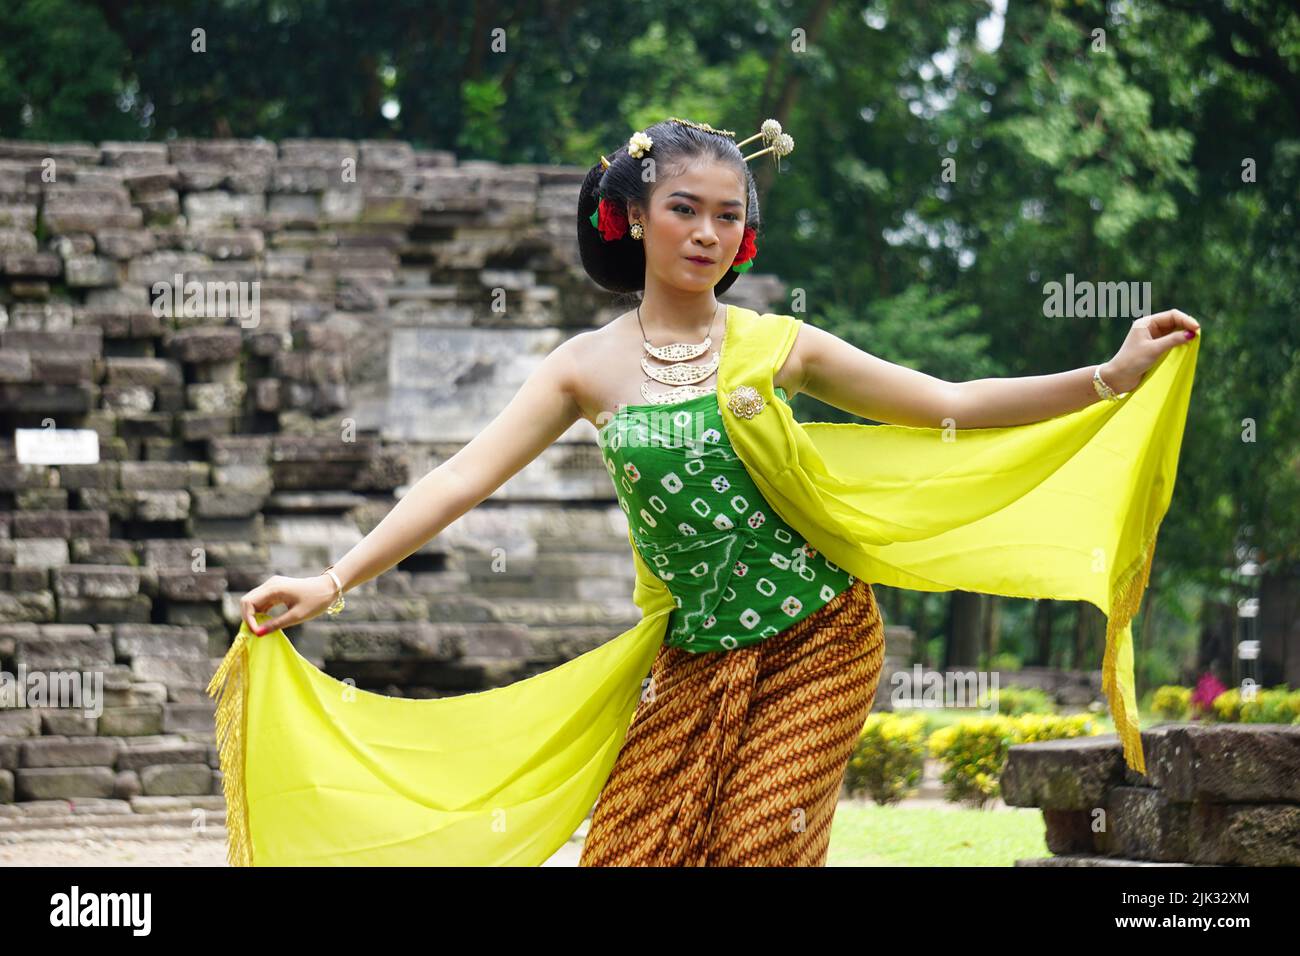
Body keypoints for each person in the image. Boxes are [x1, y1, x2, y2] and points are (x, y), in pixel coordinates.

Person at [235, 116, 1200, 866]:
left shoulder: (779, 344)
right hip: (692, 657)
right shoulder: (584, 369)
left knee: (756, 847)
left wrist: (1106, 377)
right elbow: (458, 478)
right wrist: (333, 579)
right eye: (684, 209)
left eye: (729, 215)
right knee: (630, 854)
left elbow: (945, 403)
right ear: (634, 218)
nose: (707, 232)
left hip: (818, 638)